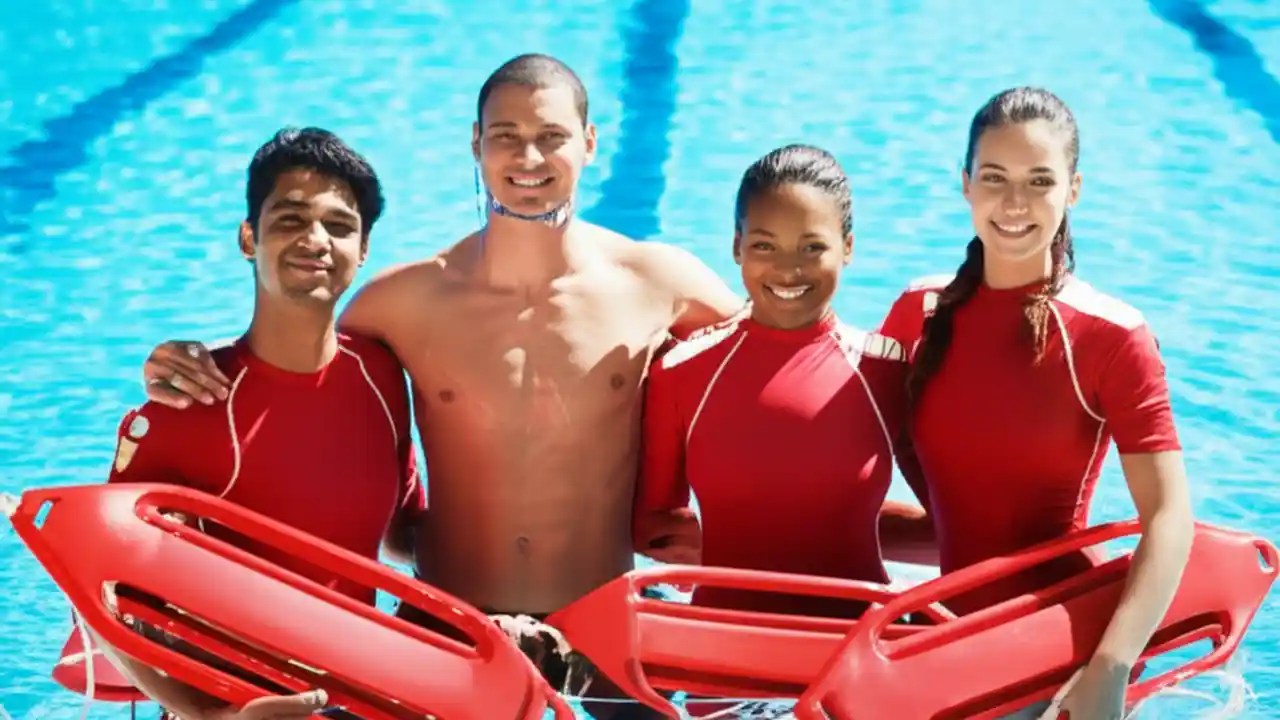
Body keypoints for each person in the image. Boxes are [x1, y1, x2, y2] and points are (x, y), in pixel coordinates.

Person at [135, 54, 741, 718]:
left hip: (606, 629)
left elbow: (793, 358)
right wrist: (186, 359)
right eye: (505, 135)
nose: (528, 156)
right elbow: (297, 364)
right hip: (452, 627)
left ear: (590, 143)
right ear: (475, 144)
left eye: (552, 135)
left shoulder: (660, 283)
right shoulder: (403, 303)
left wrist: (728, 528)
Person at [77, 127, 424, 720]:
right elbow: (96, 594)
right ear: (248, 238)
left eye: (339, 226)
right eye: (290, 219)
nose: (315, 240)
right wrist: (214, 718)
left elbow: (404, 534)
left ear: (363, 249)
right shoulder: (190, 399)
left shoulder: (380, 374)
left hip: (355, 701)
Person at [877, 87, 1194, 720]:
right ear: (964, 183)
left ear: (1073, 189)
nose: (1014, 203)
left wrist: (1111, 664)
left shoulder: (1111, 336)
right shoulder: (920, 311)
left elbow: (1169, 518)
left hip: (1058, 644)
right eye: (994, 178)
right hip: (944, 625)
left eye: (1039, 181)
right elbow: (864, 455)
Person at [633, 144, 931, 619]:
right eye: (764, 245)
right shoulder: (682, 373)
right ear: (737, 246)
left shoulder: (884, 372)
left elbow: (951, 528)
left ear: (848, 247)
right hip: (725, 659)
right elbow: (652, 525)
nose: (789, 268)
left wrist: (806, 532)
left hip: (861, 655)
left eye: (813, 247)